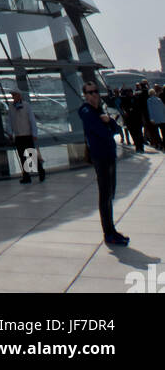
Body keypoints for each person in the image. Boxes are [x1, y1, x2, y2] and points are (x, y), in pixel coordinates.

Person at [78, 81, 128, 246]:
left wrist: (109, 122)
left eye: (95, 91)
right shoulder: (86, 111)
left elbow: (115, 129)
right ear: (85, 95)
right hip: (101, 156)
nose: (93, 94)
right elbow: (103, 132)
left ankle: (111, 230)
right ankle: (108, 233)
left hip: (109, 155)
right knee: (105, 194)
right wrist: (108, 125)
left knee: (110, 193)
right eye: (89, 92)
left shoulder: (99, 110)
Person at [6, 89, 45, 183]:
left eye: (15, 95)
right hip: (18, 136)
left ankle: (41, 171)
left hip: (27, 134)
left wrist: (34, 133)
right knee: (22, 157)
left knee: (31, 155)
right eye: (12, 95)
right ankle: (26, 176)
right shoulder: (11, 107)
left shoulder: (26, 105)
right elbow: (9, 120)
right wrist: (10, 132)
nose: (13, 97)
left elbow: (32, 120)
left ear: (19, 95)